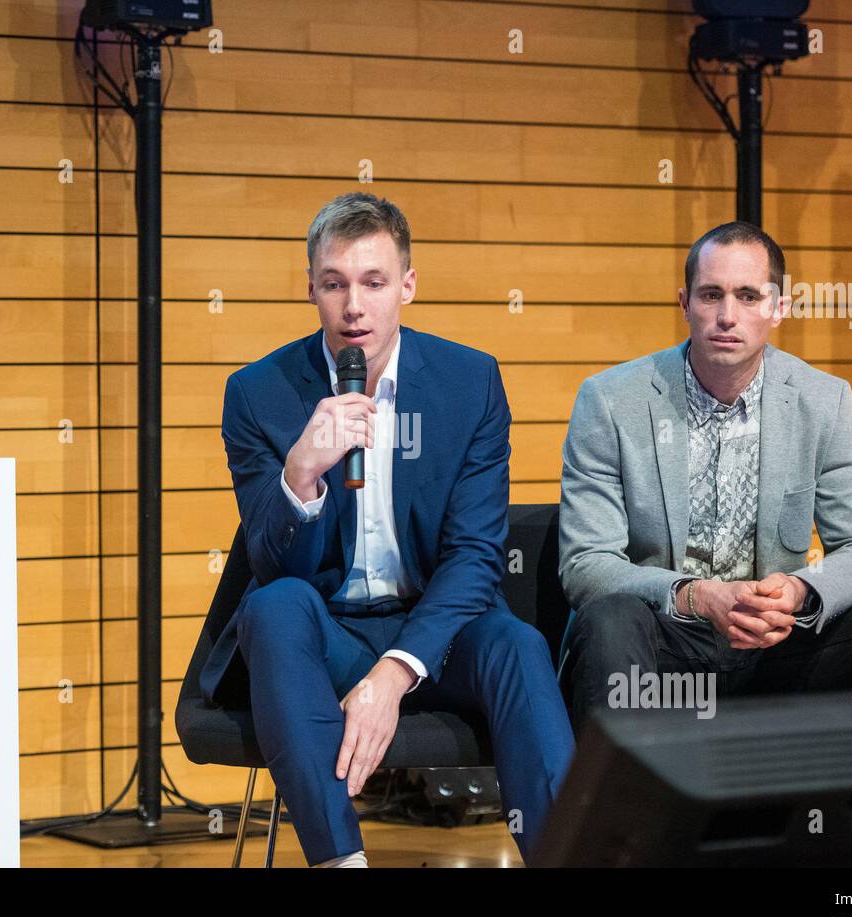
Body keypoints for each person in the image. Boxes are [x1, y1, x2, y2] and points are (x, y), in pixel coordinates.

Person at [201, 192, 574, 866]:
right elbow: (273, 565)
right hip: (324, 635)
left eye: (373, 282)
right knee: (274, 606)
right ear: (310, 288)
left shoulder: (469, 382)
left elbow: (474, 557)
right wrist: (301, 474)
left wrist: (395, 673)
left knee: (517, 643)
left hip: (437, 636)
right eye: (334, 283)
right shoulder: (259, 393)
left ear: (407, 286)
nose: (354, 306)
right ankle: (341, 860)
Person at [557, 221, 852, 732]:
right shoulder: (611, 400)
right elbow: (586, 565)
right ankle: (623, 787)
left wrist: (798, 590)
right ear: (685, 303)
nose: (727, 315)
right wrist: (697, 596)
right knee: (609, 620)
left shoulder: (823, 400)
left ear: (779, 307)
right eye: (711, 295)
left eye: (748, 296)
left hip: (782, 646)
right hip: (666, 645)